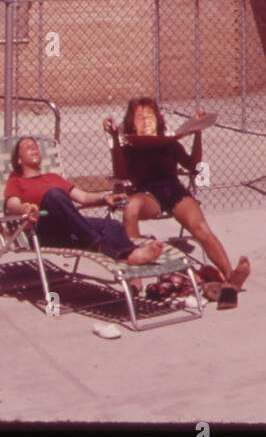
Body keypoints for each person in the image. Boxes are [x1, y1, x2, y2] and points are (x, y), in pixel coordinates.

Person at [103, 98, 249, 309]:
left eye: (150, 116)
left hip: (173, 190)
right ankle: (135, 278)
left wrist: (197, 133)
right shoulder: (130, 148)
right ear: (131, 123)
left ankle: (229, 278)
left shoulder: (169, 144)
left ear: (158, 120)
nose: (145, 121)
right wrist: (115, 138)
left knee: (200, 228)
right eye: (140, 117)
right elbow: (121, 173)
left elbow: (192, 166)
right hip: (147, 195)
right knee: (131, 207)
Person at [4, 136, 163, 266]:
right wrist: (23, 208)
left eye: (35, 146)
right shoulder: (16, 180)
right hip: (44, 231)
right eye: (27, 146)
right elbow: (11, 204)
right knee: (54, 195)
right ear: (18, 160)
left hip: (72, 229)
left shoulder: (53, 177)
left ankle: (130, 254)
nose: (33, 148)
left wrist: (104, 197)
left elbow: (84, 198)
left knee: (112, 225)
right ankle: (96, 242)